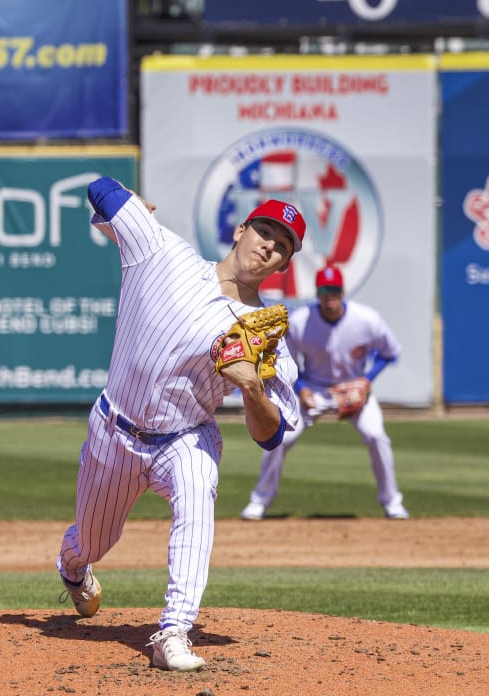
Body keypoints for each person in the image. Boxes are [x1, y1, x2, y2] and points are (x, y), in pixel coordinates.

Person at [56, 177, 305, 672]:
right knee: (94, 540)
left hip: (186, 437)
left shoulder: (264, 335)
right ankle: (73, 565)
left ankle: (173, 632)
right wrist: (133, 209)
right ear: (240, 230)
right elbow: (100, 188)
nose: (269, 247)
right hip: (114, 431)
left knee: (197, 488)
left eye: (283, 247)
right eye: (265, 232)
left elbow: (271, 434)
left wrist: (253, 387)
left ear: (284, 265)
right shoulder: (164, 252)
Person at [240, 264, 408, 521]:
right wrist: (301, 388)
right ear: (317, 293)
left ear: (342, 291)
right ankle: (259, 501)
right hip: (314, 388)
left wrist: (365, 381)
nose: (329, 295)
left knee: (377, 436)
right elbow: (285, 362)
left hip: (353, 388)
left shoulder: (366, 319)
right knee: (280, 439)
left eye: (334, 289)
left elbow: (390, 353)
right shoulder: (300, 322)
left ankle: (392, 502)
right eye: (324, 290)